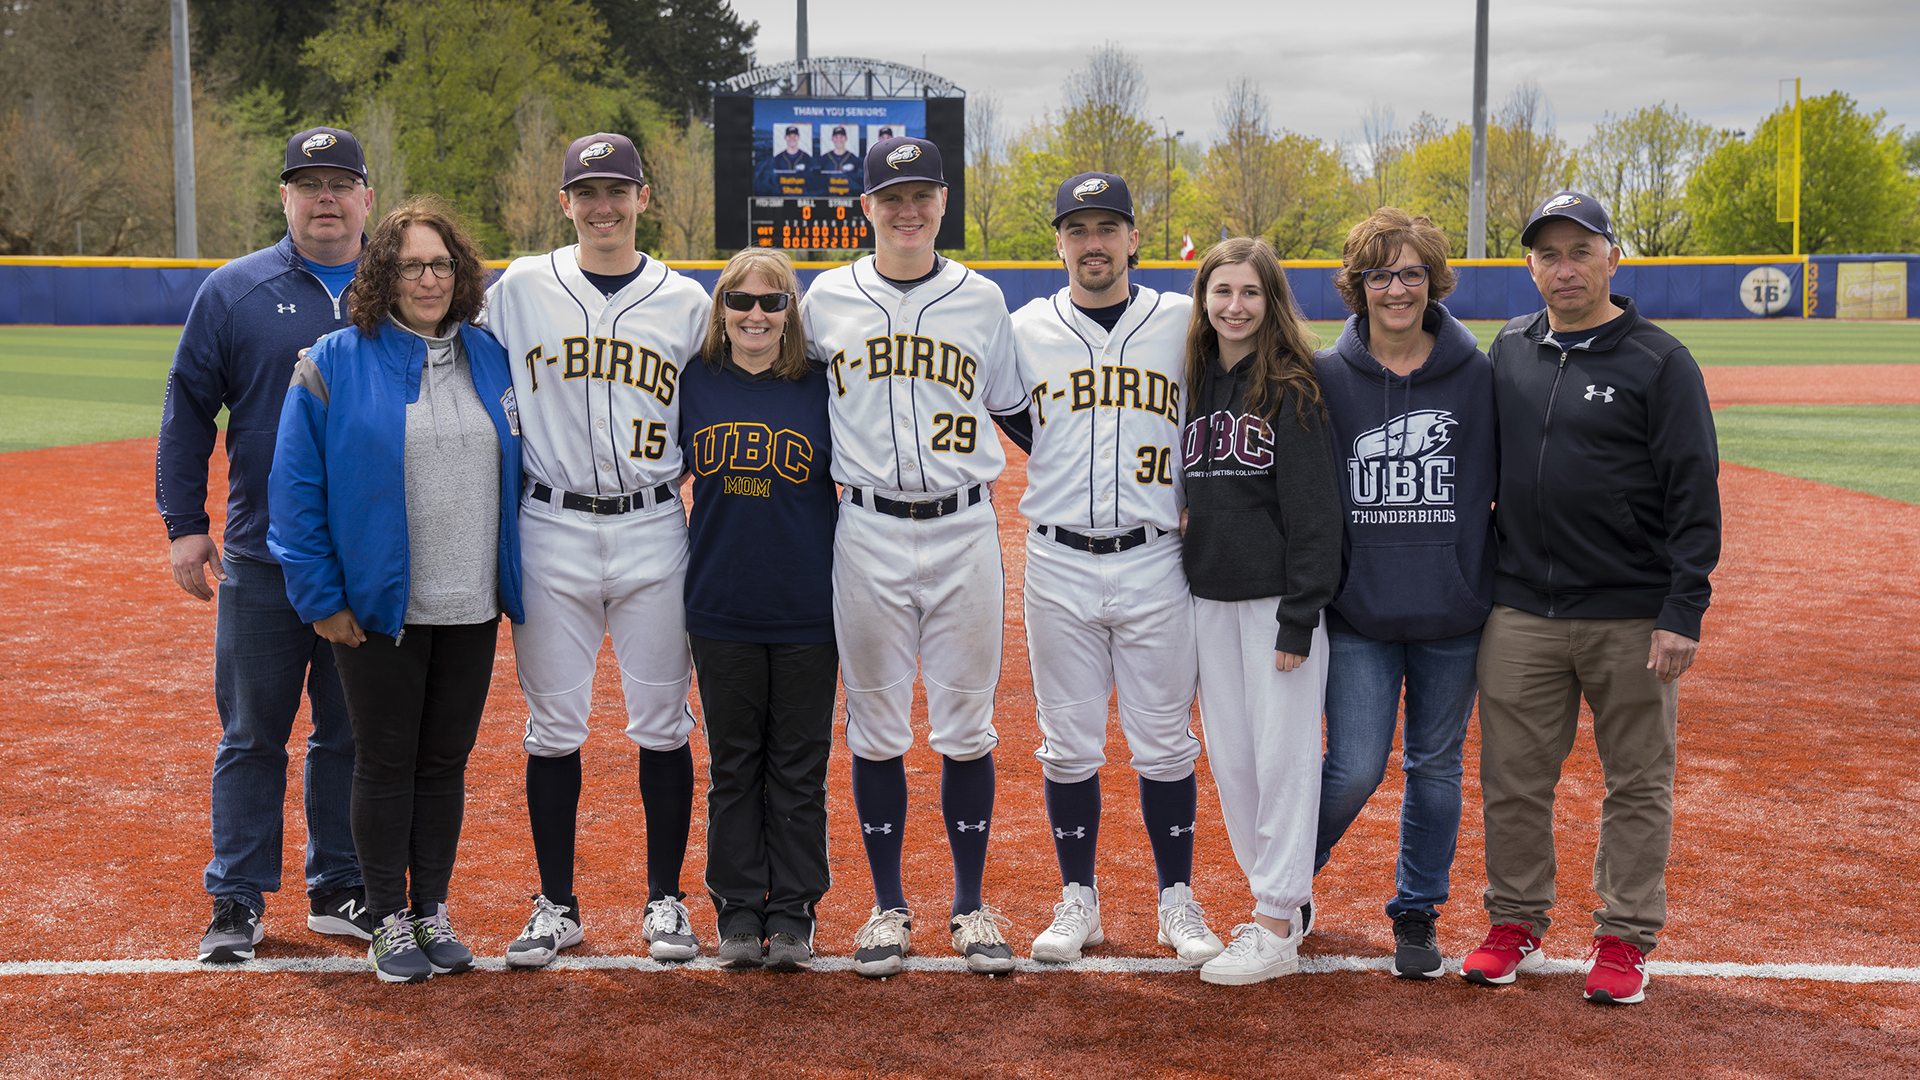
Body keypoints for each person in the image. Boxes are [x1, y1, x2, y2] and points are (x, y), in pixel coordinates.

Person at [1461, 191, 1720, 1006]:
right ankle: (1515, 922)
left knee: (1637, 781)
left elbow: (1693, 491)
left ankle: (1624, 937)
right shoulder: (1508, 347)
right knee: (1512, 780)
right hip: (1521, 610)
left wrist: (1683, 609)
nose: (1564, 268)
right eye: (1549, 254)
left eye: (1580, 251)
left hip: (1631, 614)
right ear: (1530, 265)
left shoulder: (1659, 361)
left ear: (1613, 257)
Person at [267, 196, 524, 983]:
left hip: (471, 601)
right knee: (383, 761)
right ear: (383, 272)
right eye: (411, 265)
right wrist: (321, 598)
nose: (428, 278)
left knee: (444, 763)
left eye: (441, 263)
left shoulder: (489, 356)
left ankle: (430, 908)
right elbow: (296, 490)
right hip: (380, 608)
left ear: (461, 272)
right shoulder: (334, 360)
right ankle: (385, 916)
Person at [800, 135, 1028, 978]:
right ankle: (888, 906)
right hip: (866, 529)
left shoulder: (982, 299)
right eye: (891, 197)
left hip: (965, 528)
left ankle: (969, 906)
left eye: (921, 195)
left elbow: (1017, 411)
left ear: (942, 203)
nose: (907, 210)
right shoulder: (826, 299)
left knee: (966, 727)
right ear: (865, 207)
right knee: (876, 727)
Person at [484, 133, 711, 968]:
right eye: (588, 192)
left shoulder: (686, 302)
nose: (603, 206)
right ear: (565, 203)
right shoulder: (519, 288)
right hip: (550, 525)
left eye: (618, 190)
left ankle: (665, 901)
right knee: (553, 728)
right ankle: (557, 905)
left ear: (644, 198)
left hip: (654, 523)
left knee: (663, 724)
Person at [158, 126, 375, 963]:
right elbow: (187, 410)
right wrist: (185, 525)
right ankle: (237, 896)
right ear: (284, 197)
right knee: (252, 733)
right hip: (262, 556)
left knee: (350, 734)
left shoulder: (403, 285)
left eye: (340, 184)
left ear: (366, 197)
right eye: (309, 184)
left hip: (367, 560)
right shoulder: (234, 290)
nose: (326, 199)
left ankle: (339, 885)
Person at [1009, 172, 1222, 966]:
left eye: (1107, 228)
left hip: (1156, 555)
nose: (1092, 243)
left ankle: (1176, 901)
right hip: (1057, 559)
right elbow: (1011, 414)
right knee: (1067, 745)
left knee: (1165, 743)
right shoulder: (1025, 328)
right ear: (1059, 243)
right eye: (1077, 229)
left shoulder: (1183, 321)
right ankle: (1079, 902)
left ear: (1134, 239)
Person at [1310, 208, 1496, 980]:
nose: (1397, 289)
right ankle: (1287, 881)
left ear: (1433, 282)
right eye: (1380, 274)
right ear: (1357, 286)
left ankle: (1416, 913)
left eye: (1412, 273)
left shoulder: (1477, 375)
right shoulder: (1325, 376)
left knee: (1436, 767)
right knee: (1353, 767)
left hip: (1453, 613)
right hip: (1361, 613)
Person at [1179, 237, 1343, 986]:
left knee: (1282, 762)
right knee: (1235, 765)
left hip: (1277, 604)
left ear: (1270, 301)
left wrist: (1300, 615)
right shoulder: (1194, 382)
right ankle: (1279, 902)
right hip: (1209, 599)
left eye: (1250, 292)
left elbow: (1316, 515)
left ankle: (1275, 923)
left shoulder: (1292, 388)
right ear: (1204, 300)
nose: (1235, 306)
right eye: (1222, 291)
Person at [680, 250, 839, 973]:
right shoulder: (695, 380)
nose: (755, 314)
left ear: (789, 311)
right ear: (721, 308)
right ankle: (740, 909)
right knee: (734, 767)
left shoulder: (820, 384)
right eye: (739, 300)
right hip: (721, 604)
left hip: (806, 605)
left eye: (771, 301)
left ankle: (794, 911)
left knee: (800, 770)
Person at [816, 126, 861, 197]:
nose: (839, 139)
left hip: (849, 196)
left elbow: (858, 180)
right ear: (832, 139)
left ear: (846, 139)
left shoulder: (853, 158)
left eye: (841, 137)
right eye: (836, 137)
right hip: (828, 196)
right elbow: (819, 180)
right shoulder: (825, 158)